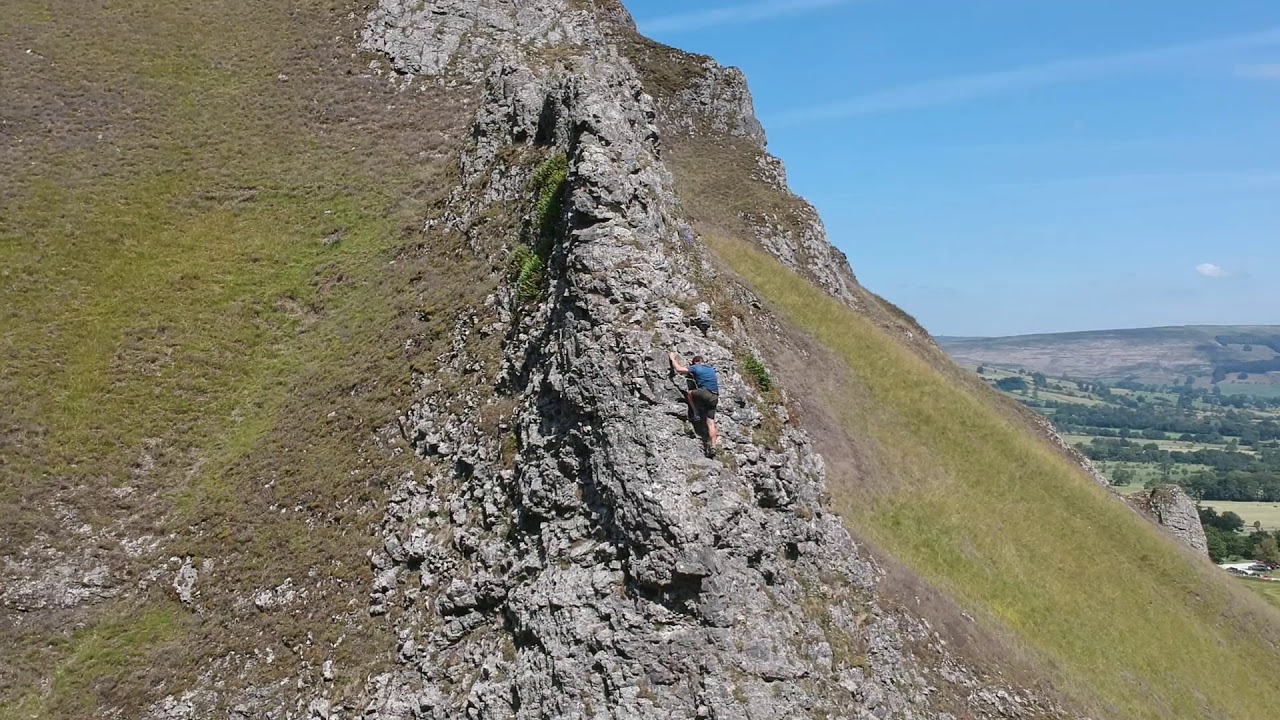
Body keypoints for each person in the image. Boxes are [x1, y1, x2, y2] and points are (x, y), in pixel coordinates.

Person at [668, 351, 719, 450]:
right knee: (711, 422)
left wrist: (672, 358)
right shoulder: (710, 368)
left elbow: (679, 370)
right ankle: (713, 446)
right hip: (715, 396)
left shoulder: (695, 367)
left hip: (705, 393)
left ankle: (695, 413)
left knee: (689, 393)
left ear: (695, 362)